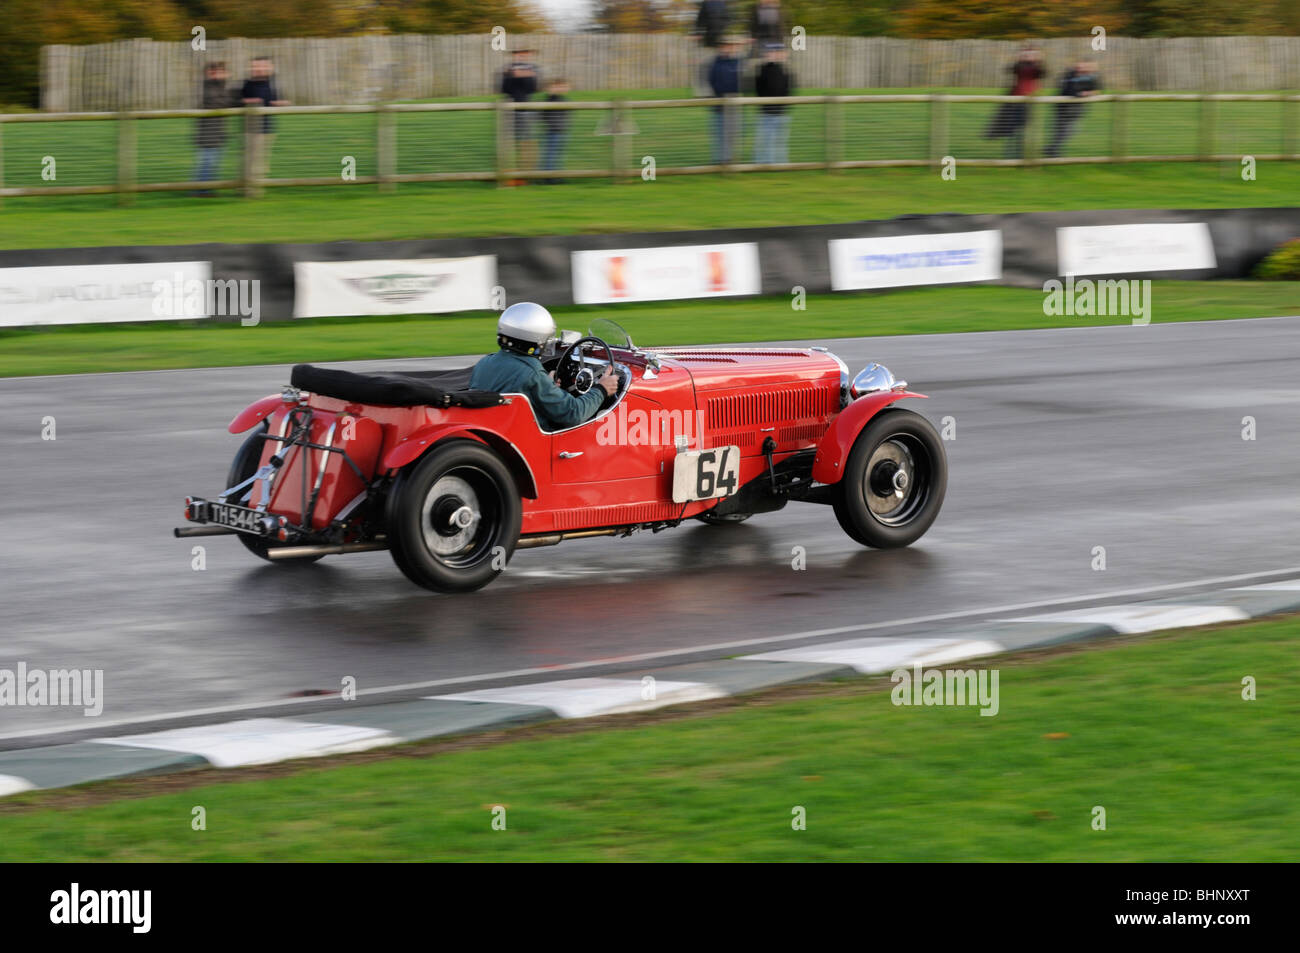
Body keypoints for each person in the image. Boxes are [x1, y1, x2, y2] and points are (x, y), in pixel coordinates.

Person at [469, 302, 617, 432]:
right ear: (533, 342)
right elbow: (573, 414)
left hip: (497, 432)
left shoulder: (484, 363)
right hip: (531, 442)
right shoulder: (532, 373)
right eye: (545, 339)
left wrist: (548, 385)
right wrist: (601, 389)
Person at [985, 45, 1044, 158]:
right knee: (1011, 128)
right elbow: (1009, 69)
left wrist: (1039, 60)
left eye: (1031, 54)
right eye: (1026, 54)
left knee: (1023, 128)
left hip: (1029, 100)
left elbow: (1043, 73)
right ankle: (1010, 155)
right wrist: (1019, 59)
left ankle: (1020, 154)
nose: (1028, 57)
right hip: (1014, 99)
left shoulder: (1037, 67)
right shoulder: (1018, 65)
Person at [240, 56, 289, 180]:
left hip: (267, 128)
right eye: (256, 66)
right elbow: (235, 101)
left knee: (263, 159)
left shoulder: (272, 84)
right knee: (251, 158)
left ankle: (258, 183)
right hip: (250, 129)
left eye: (262, 66)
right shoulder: (247, 84)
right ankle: (250, 185)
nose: (259, 69)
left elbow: (274, 101)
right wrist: (246, 101)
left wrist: (281, 103)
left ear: (270, 67)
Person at [1045, 59, 1101, 158]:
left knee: (1071, 131)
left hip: (1076, 109)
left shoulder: (1091, 77)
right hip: (1063, 108)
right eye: (1080, 66)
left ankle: (1051, 148)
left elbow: (1096, 90)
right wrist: (1081, 94)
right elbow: (1068, 89)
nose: (1082, 68)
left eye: (1086, 67)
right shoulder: (1070, 74)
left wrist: (1089, 93)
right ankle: (1053, 152)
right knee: (1061, 130)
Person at [501, 48, 540, 186]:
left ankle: (526, 176)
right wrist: (513, 75)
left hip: (527, 110)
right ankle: (507, 176)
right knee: (507, 143)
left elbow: (534, 88)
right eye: (519, 54)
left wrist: (524, 75)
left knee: (526, 142)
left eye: (525, 55)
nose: (522, 57)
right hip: (509, 110)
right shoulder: (506, 69)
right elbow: (503, 89)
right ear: (514, 56)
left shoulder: (534, 69)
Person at [193, 61, 232, 196]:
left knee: (211, 161)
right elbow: (214, 102)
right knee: (206, 161)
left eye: (220, 72)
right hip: (207, 132)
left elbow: (226, 101)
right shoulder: (207, 87)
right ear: (207, 74)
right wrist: (230, 101)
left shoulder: (222, 87)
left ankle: (205, 188)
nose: (217, 75)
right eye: (213, 72)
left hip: (217, 132)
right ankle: (201, 190)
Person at [752, 42, 793, 163]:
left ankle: (781, 163)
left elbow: (789, 90)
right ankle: (764, 163)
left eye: (780, 52)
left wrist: (784, 107)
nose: (778, 55)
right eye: (774, 52)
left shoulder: (785, 70)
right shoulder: (763, 69)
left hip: (782, 113)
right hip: (767, 112)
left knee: (781, 140)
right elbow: (759, 89)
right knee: (766, 139)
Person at [708, 38, 743, 164]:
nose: (729, 48)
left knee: (733, 133)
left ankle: (730, 159)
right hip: (720, 103)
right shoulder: (715, 63)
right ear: (721, 47)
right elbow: (711, 80)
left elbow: (743, 81)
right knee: (719, 133)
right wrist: (720, 94)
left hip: (735, 103)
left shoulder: (738, 63)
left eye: (731, 46)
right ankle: (719, 159)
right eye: (726, 46)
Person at [693, 0, 731, 96]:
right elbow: (699, 20)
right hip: (708, 41)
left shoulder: (723, 3)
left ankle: (720, 89)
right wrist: (698, 33)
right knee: (705, 66)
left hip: (720, 41)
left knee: (720, 66)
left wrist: (723, 30)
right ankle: (703, 91)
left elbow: (727, 19)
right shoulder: (705, 3)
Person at [540, 77, 571, 184]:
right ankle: (548, 177)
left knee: (558, 154)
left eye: (565, 86)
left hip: (562, 131)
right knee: (551, 154)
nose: (566, 88)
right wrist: (551, 94)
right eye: (562, 86)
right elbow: (543, 114)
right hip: (553, 131)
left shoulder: (563, 99)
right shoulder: (551, 98)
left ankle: (556, 175)